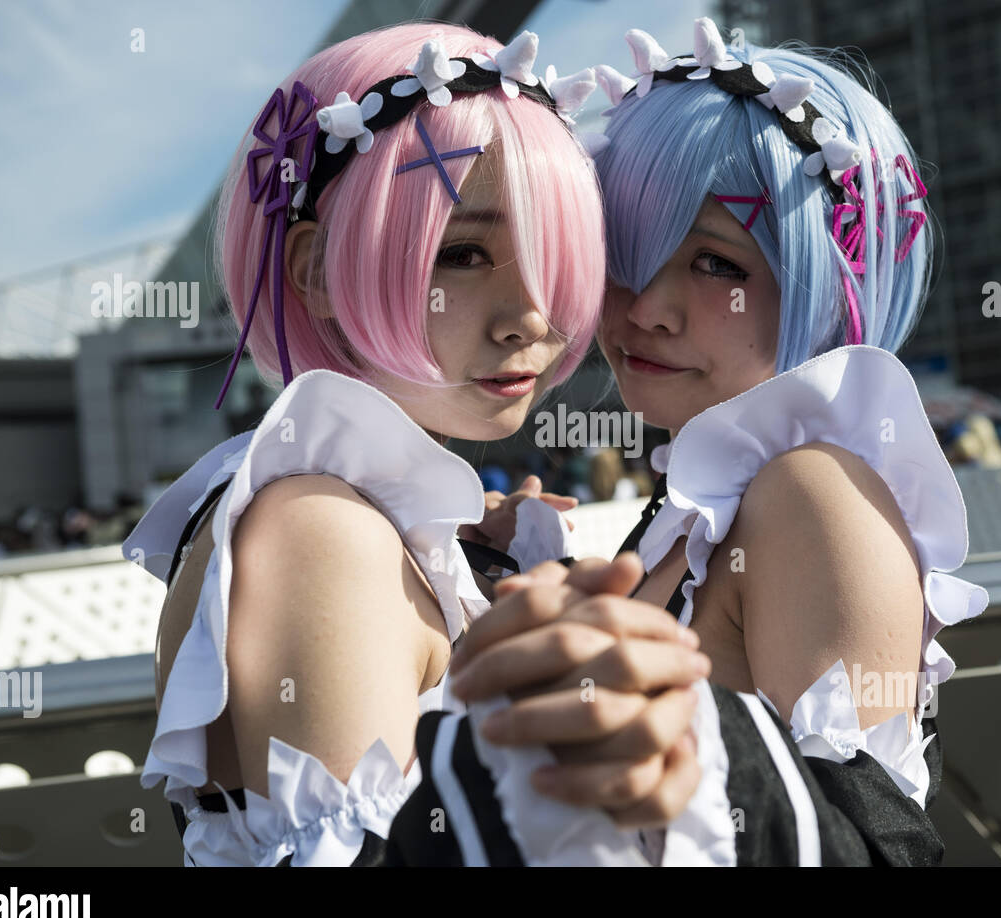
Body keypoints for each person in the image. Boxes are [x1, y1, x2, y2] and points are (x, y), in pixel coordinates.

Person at [405, 17, 991, 865]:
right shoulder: (720, 498)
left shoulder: (811, 493)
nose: (647, 305)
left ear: (825, 285)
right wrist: (522, 575)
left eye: (717, 264)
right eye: (628, 251)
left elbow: (879, 845)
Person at [123, 23, 707, 866]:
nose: (531, 316)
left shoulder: (345, 521)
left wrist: (493, 576)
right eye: (464, 253)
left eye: (550, 256)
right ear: (317, 270)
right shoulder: (320, 534)